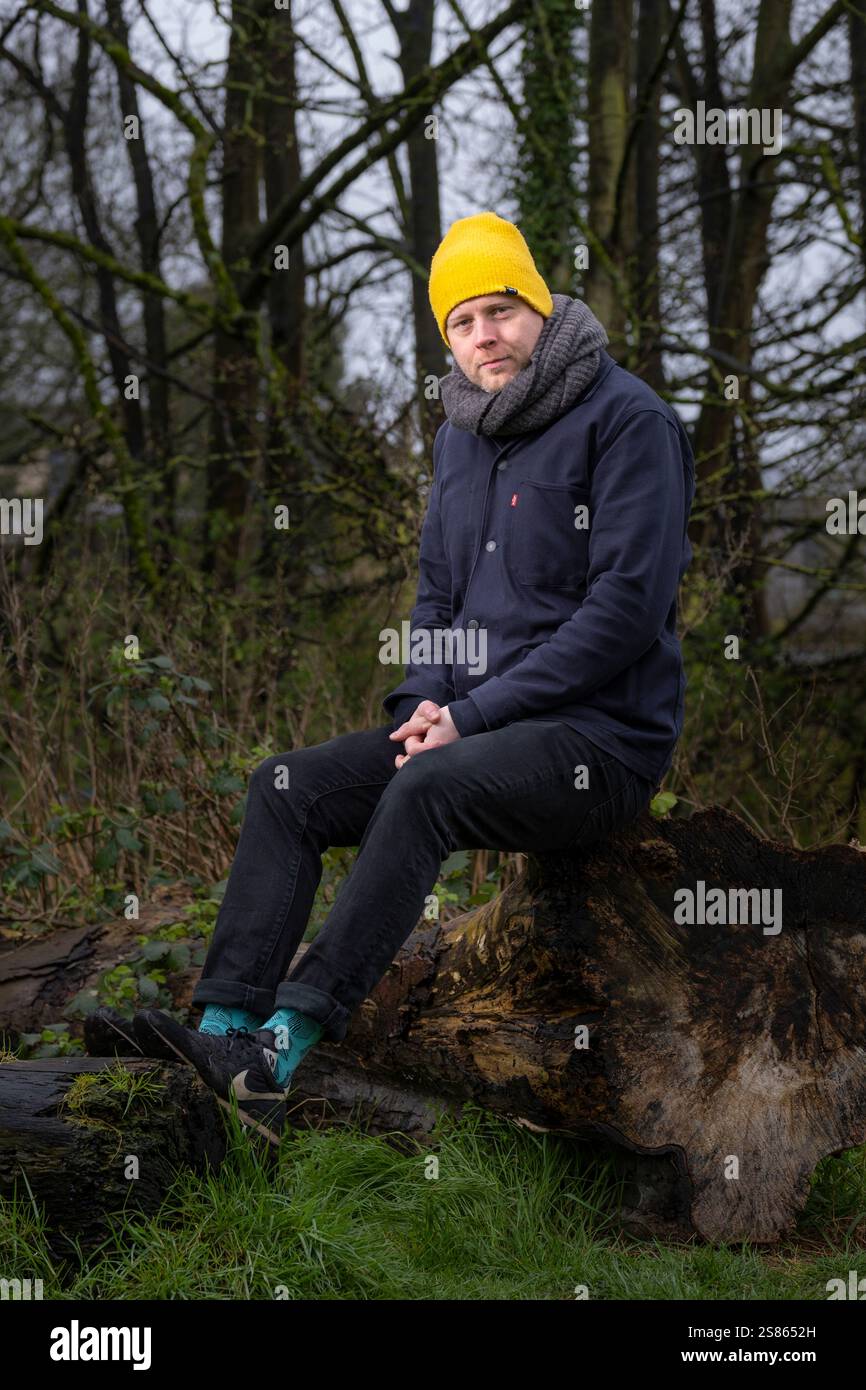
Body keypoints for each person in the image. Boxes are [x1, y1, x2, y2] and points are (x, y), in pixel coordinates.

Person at [136, 210, 696, 1145]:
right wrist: (424, 702)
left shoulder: (631, 420)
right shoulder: (458, 439)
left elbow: (625, 614)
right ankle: (223, 1032)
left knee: (428, 786)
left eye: (501, 311)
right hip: (473, 724)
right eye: (462, 322)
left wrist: (470, 717)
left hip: (601, 741)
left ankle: (285, 1045)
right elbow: (436, 598)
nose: (486, 336)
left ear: (541, 310)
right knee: (285, 786)